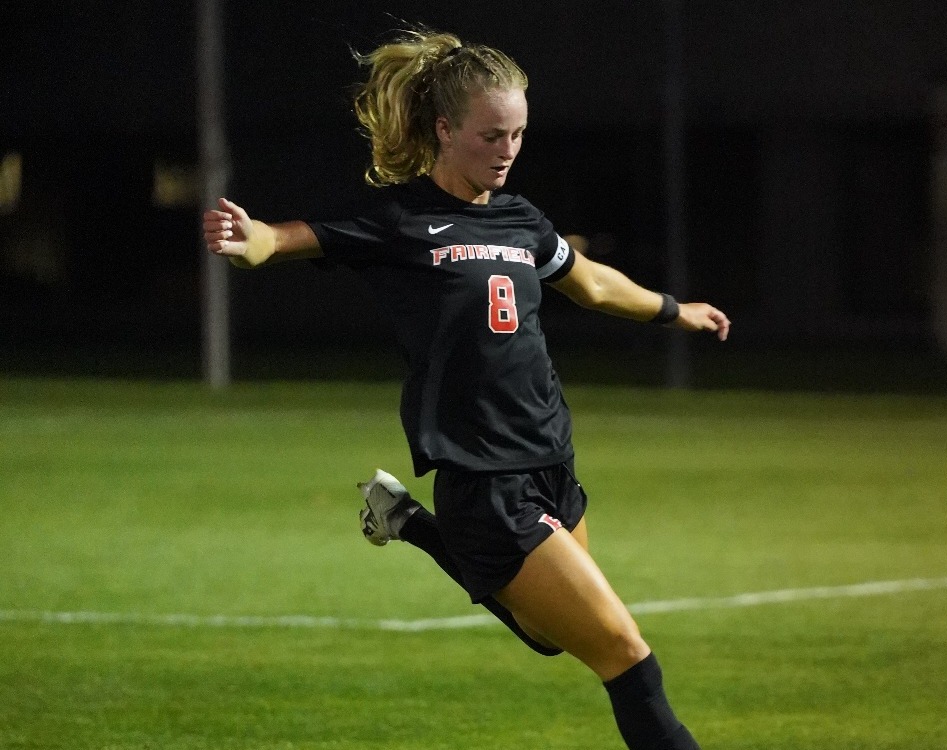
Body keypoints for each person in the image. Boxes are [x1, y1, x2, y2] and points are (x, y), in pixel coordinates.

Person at [201, 27, 728, 750]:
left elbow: (595, 284)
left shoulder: (521, 219)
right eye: (490, 135)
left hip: (551, 459)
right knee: (625, 656)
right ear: (445, 130)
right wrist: (249, 237)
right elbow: (292, 238)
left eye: (516, 134)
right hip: (485, 482)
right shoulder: (400, 220)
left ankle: (408, 523)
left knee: (549, 637)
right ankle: (423, 522)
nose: (506, 149)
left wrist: (676, 310)